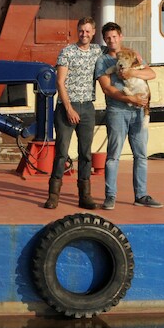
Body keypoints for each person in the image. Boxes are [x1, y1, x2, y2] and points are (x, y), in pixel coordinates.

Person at [94, 22, 161, 209]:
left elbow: (151, 73)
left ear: (120, 36)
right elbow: (107, 88)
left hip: (138, 111)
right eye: (108, 38)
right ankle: (110, 196)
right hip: (117, 111)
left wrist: (132, 72)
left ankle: (141, 195)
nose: (112, 40)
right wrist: (130, 98)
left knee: (141, 155)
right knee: (113, 156)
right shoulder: (102, 61)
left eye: (114, 36)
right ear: (104, 40)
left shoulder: (132, 55)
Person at [44, 17, 105, 210]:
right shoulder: (67, 52)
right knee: (62, 152)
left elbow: (116, 52)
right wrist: (69, 108)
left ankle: (85, 196)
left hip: (87, 107)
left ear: (93, 32)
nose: (84, 34)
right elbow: (60, 82)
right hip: (66, 108)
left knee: (85, 153)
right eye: (81, 31)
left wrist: (136, 57)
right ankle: (53, 195)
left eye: (87, 31)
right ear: (77, 31)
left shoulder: (97, 51)